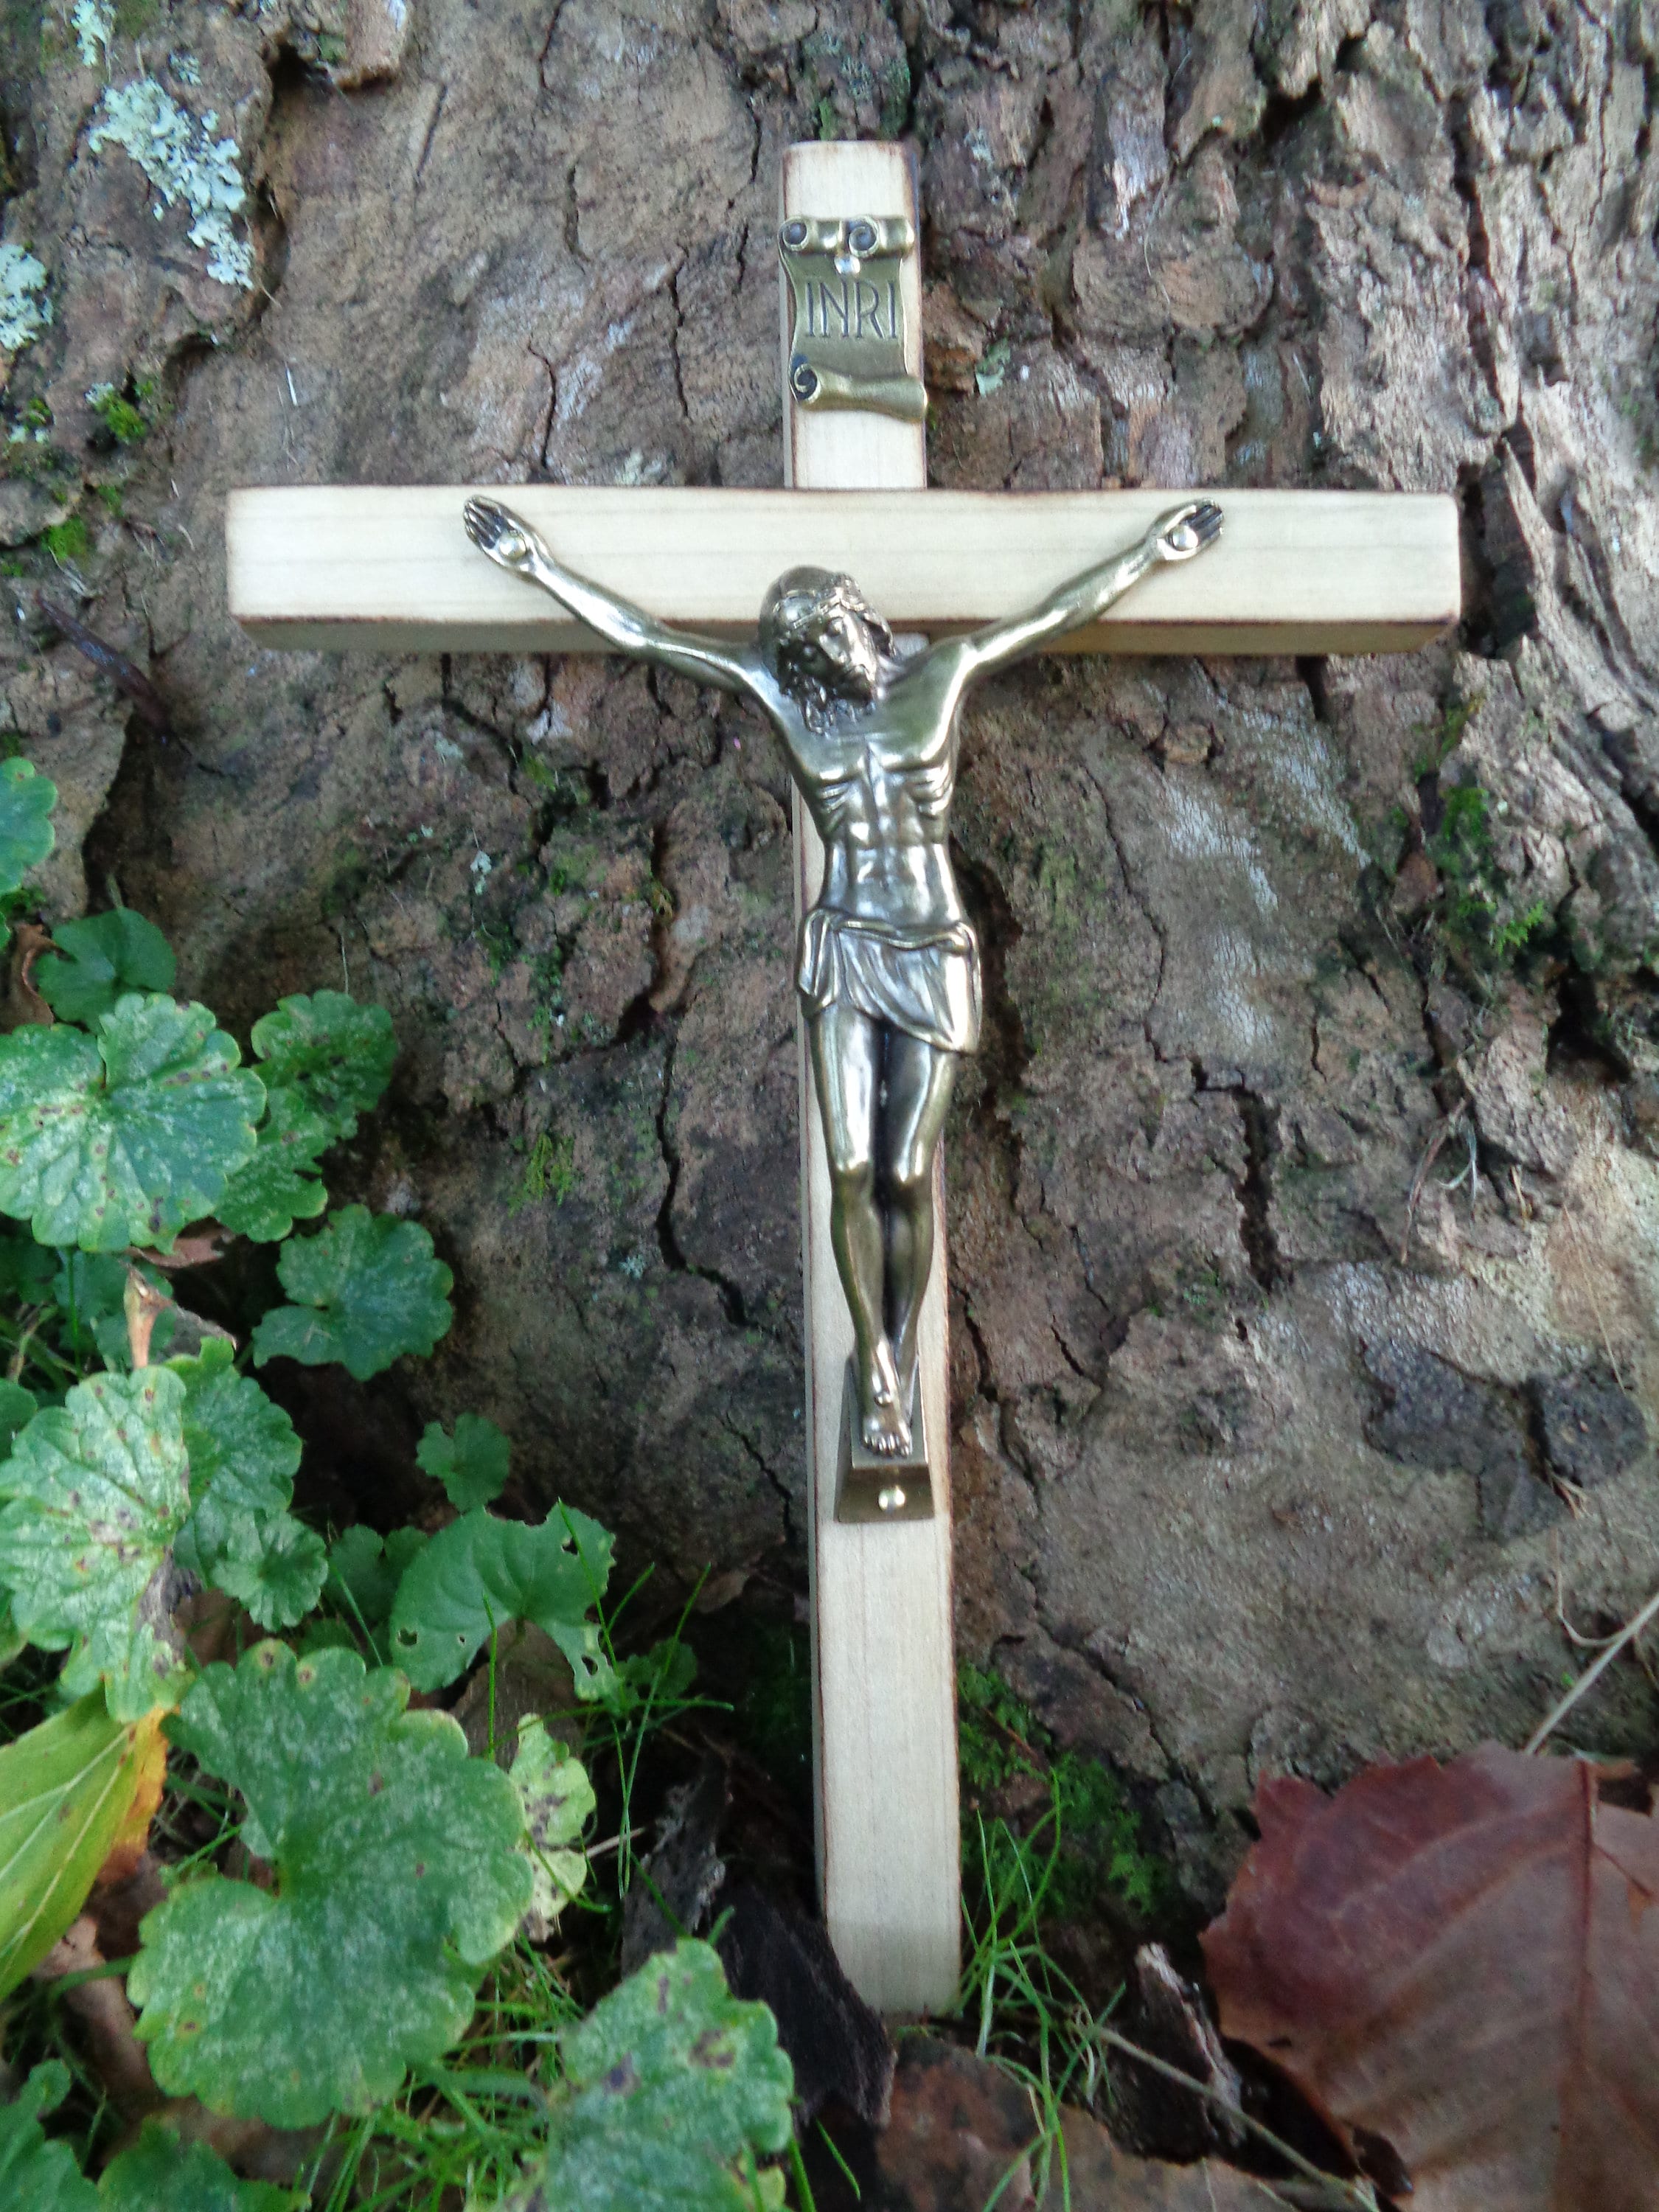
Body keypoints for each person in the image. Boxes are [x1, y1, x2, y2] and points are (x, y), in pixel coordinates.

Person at [465, 493, 1222, 1458]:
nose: (826, 659)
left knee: (907, 1170)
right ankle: (876, 1368)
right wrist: (538, 568)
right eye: (807, 652)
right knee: (850, 1168)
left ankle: (898, 1349)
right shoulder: (786, 697)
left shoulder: (940, 672)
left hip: (931, 944)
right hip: (843, 948)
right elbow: (648, 637)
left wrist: (1150, 554)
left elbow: (1048, 615)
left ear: (858, 619)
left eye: (831, 635)